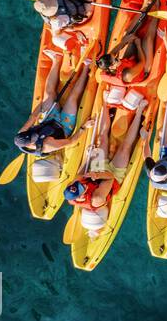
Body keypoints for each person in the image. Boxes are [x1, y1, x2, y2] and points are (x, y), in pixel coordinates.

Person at [64, 93, 150, 224]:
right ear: (81, 196)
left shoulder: (72, 189)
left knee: (102, 138)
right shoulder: (97, 198)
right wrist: (97, 176)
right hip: (111, 178)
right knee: (125, 148)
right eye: (82, 188)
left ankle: (105, 103)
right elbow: (109, 176)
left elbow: (80, 173)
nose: (81, 185)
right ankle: (139, 112)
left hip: (96, 172)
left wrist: (89, 157)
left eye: (78, 184)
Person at [14, 51, 92, 156]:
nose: (34, 136)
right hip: (64, 126)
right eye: (33, 138)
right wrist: (84, 127)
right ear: (30, 144)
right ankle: (87, 67)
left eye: (32, 135)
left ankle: (57, 59)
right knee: (72, 98)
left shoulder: (22, 133)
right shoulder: (48, 145)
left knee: (49, 93)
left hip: (49, 119)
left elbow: (33, 117)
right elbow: (71, 141)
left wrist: (44, 103)